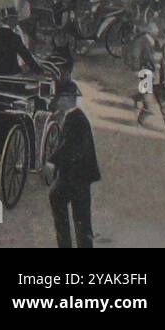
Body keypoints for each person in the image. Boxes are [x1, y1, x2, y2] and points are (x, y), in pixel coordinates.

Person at [47, 81, 100, 248]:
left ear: (68, 98)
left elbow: (67, 148)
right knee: (82, 218)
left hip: (74, 176)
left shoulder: (74, 119)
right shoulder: (76, 117)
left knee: (56, 198)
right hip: (81, 176)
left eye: (59, 99)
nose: (57, 103)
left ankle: (65, 244)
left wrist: (51, 162)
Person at [128, 19, 165, 132]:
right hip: (146, 74)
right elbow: (135, 56)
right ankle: (140, 121)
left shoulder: (156, 42)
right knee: (148, 104)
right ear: (149, 30)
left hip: (157, 75)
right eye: (155, 29)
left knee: (161, 101)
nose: (157, 31)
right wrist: (136, 69)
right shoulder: (141, 41)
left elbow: (160, 57)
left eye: (157, 29)